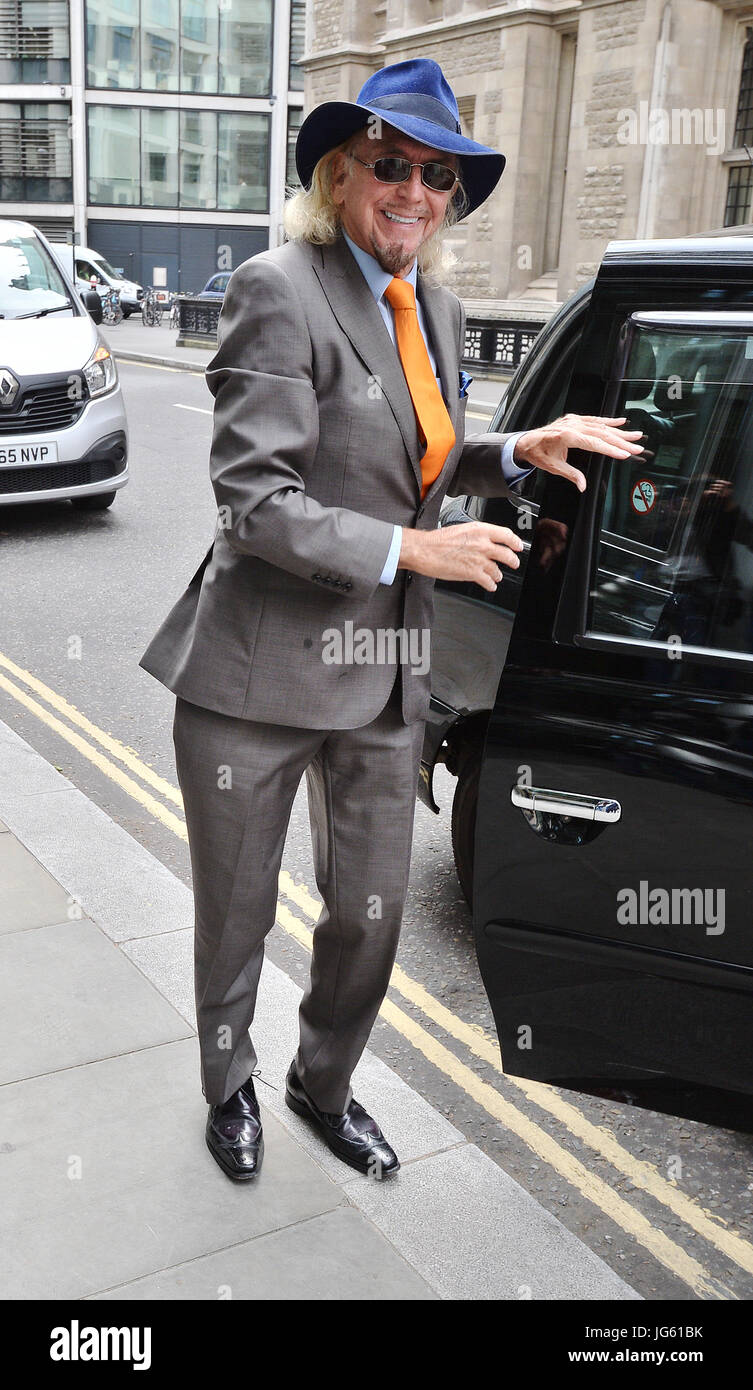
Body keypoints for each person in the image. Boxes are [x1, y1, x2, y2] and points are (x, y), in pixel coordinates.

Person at [138, 57, 644, 1183]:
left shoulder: (438, 305)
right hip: (256, 675)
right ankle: (230, 1086)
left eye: (439, 174)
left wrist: (514, 451)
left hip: (385, 674)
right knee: (236, 916)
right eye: (391, 165)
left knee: (368, 914)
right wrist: (419, 549)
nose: (417, 189)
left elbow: (411, 455)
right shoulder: (281, 288)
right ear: (338, 175)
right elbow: (257, 503)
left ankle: (324, 1085)